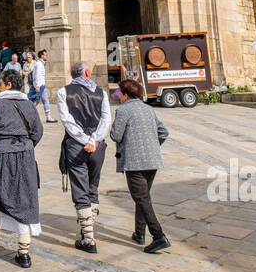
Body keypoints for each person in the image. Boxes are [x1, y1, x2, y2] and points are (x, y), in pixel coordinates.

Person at [0, 71, 44, 268]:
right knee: (25, 197)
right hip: (26, 154)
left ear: (8, 84)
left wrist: (4, 143)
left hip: (2, 152)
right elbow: (37, 132)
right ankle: (23, 252)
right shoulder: (29, 104)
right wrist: (24, 146)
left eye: (1, 83)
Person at [109, 78, 171, 253]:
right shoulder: (148, 109)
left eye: (119, 92)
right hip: (152, 160)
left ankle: (158, 236)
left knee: (142, 198)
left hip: (134, 162)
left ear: (125, 94)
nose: (117, 95)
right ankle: (139, 233)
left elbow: (115, 135)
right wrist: (151, 145)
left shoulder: (123, 110)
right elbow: (164, 132)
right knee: (142, 197)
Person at [57, 61, 111, 254]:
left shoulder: (63, 92)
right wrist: (95, 139)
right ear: (87, 73)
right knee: (92, 186)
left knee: (80, 188)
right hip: (97, 146)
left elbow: (67, 120)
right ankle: (87, 231)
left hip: (76, 146)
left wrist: (84, 139)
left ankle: (88, 238)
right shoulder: (101, 93)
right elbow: (106, 119)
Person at [30, 49, 54, 123]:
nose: (46, 56)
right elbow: (37, 75)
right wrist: (37, 86)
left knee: (41, 101)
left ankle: (48, 117)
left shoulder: (40, 63)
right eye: (45, 55)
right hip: (40, 86)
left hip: (41, 85)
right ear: (42, 55)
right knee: (36, 101)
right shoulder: (39, 64)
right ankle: (29, 115)